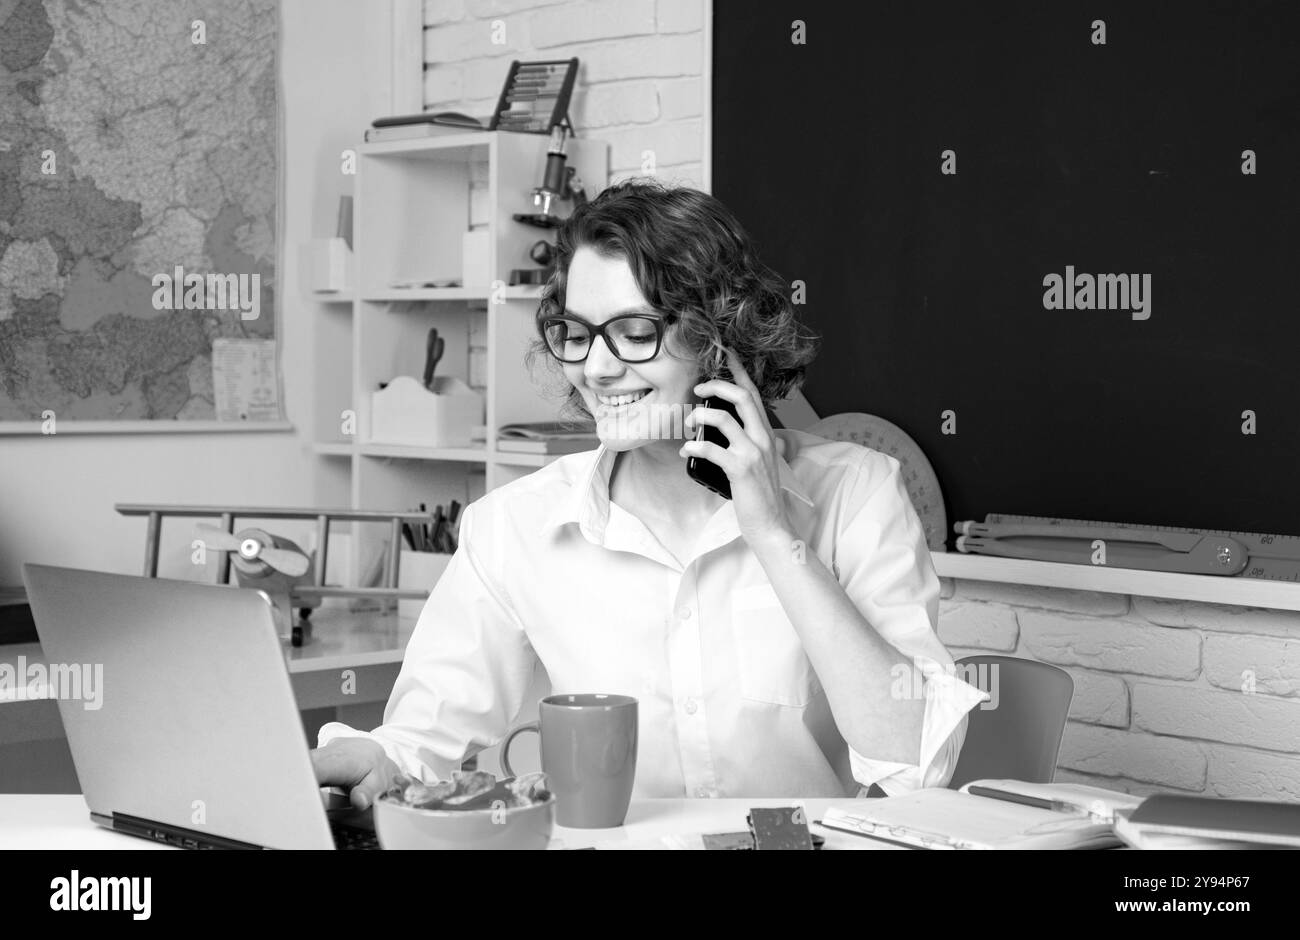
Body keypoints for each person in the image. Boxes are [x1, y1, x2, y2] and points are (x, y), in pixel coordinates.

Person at [312, 179, 986, 809]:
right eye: (576, 335)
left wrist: (775, 538)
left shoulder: (857, 492)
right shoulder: (514, 527)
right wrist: (372, 757)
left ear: (720, 337)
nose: (597, 368)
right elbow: (421, 739)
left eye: (635, 334)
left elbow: (916, 765)